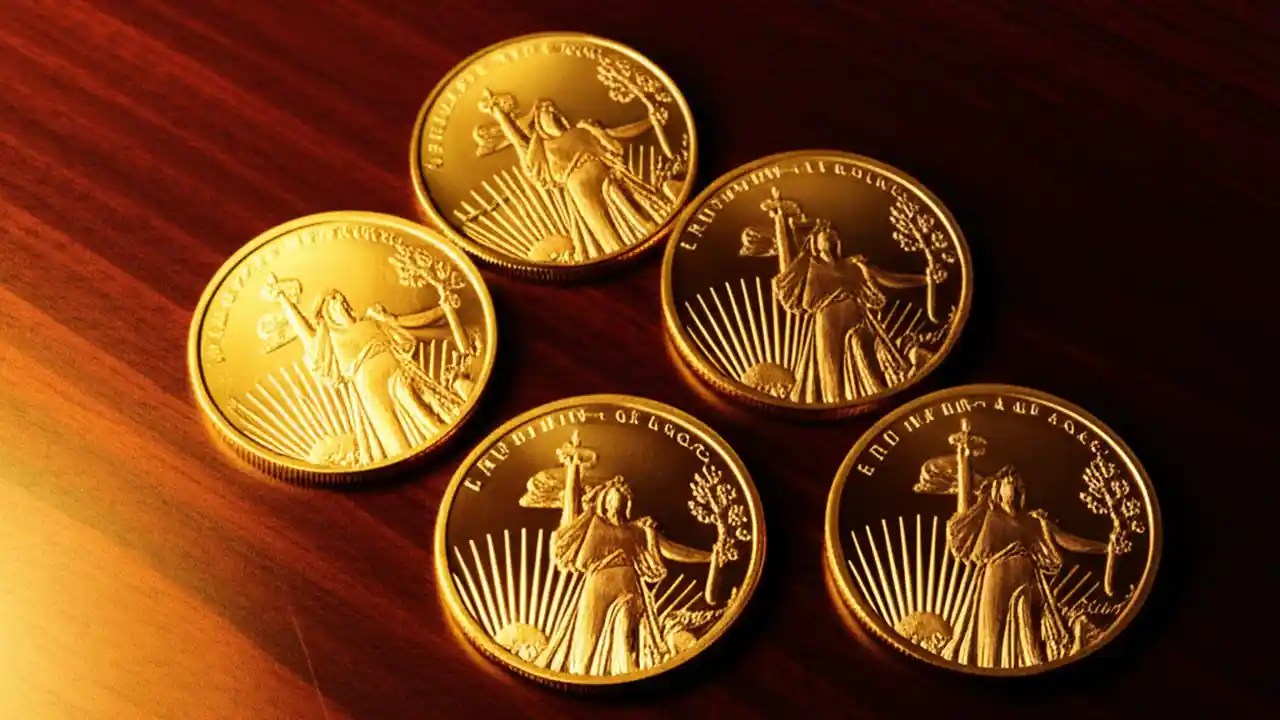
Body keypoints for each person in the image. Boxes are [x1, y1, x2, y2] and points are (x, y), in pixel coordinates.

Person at [539, 436, 711, 675]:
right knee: (586, 642)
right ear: (604, 500)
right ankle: (583, 678)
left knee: (626, 638)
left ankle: (625, 676)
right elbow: (571, 512)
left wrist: (709, 557)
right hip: (597, 586)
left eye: (621, 495)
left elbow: (671, 549)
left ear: (627, 502)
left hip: (628, 588)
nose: (616, 498)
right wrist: (572, 470)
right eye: (612, 494)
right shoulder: (592, 523)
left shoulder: (639, 530)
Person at [266, 277, 462, 462]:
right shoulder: (328, 340)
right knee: (392, 434)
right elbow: (304, 332)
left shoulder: (372, 319)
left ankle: (444, 442)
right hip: (371, 388)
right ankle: (403, 464)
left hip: (400, 375)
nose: (342, 304)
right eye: (333, 302)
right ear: (326, 313)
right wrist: (284, 300)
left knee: (425, 415)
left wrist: (442, 309)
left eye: (342, 300)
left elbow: (408, 322)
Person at [944, 453, 1110, 668]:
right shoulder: (987, 516)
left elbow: (1065, 540)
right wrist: (964, 457)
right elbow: (963, 506)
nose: (1014, 489)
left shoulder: (1033, 522)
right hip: (996, 581)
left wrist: (1104, 547)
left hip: (1027, 583)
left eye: (1019, 485)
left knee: (1029, 632)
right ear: (997, 488)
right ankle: (989, 674)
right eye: (1009, 484)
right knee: (992, 633)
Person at [475, 92, 672, 259]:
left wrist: (651, 122)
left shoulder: (582, 131)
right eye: (544, 112)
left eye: (552, 110)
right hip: (579, 186)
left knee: (635, 212)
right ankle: (614, 253)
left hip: (608, 174)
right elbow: (515, 137)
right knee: (602, 228)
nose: (550, 113)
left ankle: (643, 236)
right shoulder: (539, 147)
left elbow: (620, 133)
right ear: (537, 123)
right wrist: (499, 113)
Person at [765, 204, 931, 402]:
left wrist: (925, 280)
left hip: (858, 320)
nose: (829, 235)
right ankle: (835, 406)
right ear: (814, 242)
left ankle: (867, 402)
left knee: (865, 362)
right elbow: (786, 270)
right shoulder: (809, 265)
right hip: (828, 322)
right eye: (824, 233)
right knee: (831, 370)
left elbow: (889, 278)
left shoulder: (853, 265)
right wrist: (780, 222)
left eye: (832, 233)